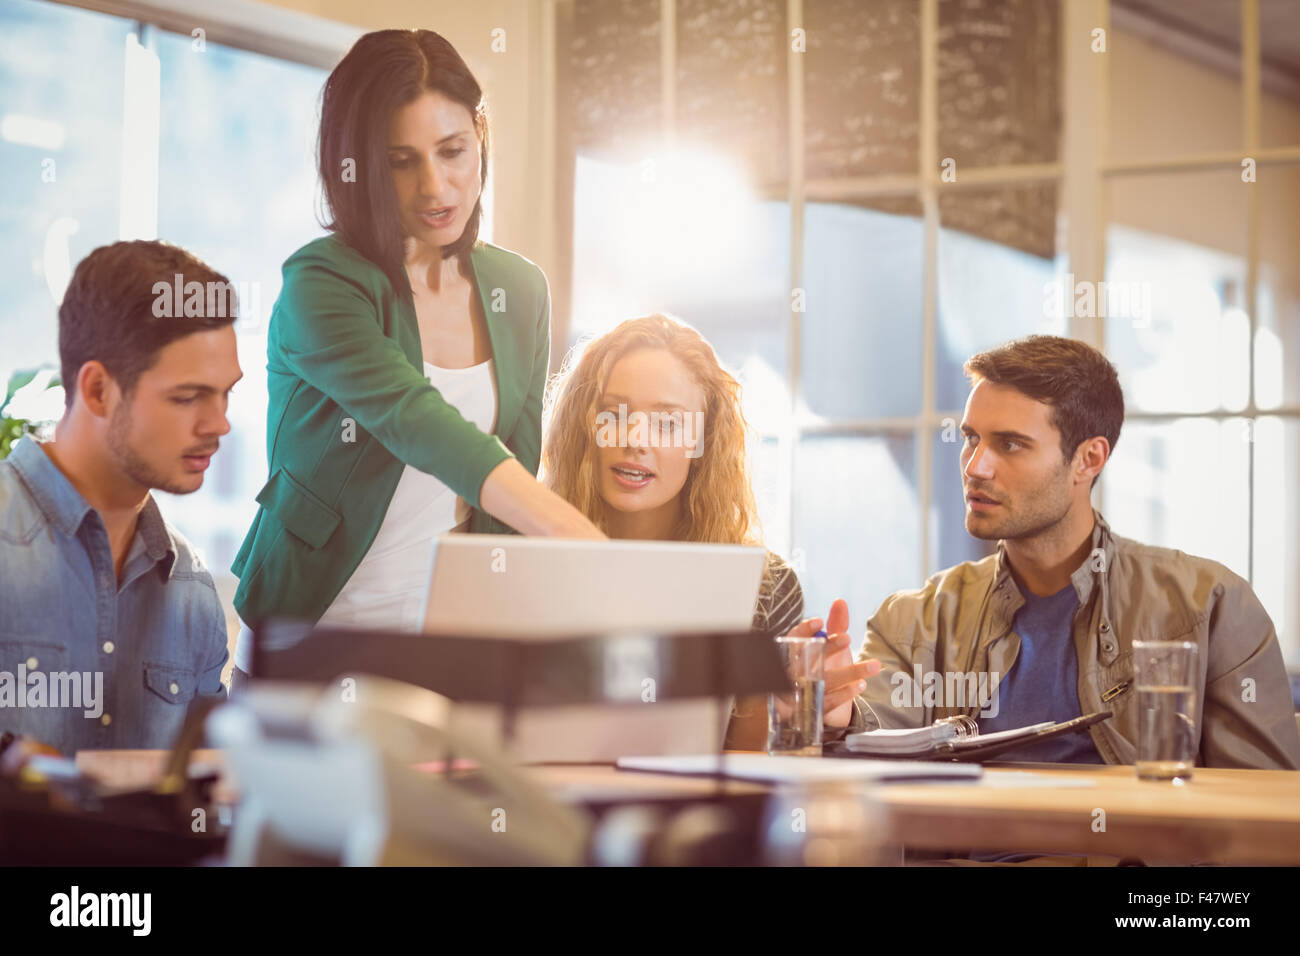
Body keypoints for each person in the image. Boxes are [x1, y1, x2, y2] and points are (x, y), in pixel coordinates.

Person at [230, 30, 602, 679]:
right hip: (313, 642)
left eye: (452, 150)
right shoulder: (322, 284)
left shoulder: (520, 289)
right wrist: (586, 543)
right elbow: (415, 420)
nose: (436, 187)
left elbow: (512, 469)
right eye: (401, 160)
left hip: (451, 652)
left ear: (481, 132)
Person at [827, 334, 1300, 774]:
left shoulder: (1209, 607)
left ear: (1088, 460)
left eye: (1009, 444)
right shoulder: (915, 618)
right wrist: (836, 712)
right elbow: (873, 731)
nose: (975, 466)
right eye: (972, 438)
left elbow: (1261, 815)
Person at [542, 314, 846, 748]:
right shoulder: (526, 558)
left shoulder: (765, 585)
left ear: (702, 446)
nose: (635, 439)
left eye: (667, 423)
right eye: (613, 414)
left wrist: (791, 707)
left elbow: (752, 775)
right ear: (584, 426)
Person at [0, 240, 239, 757]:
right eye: (188, 396)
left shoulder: (193, 592)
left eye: (226, 394)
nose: (218, 424)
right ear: (98, 391)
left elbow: (199, 791)